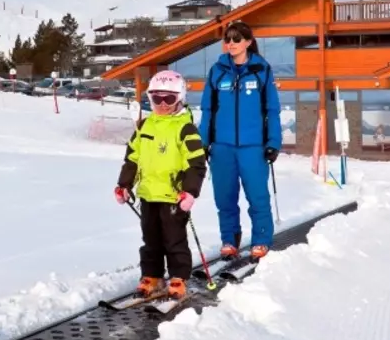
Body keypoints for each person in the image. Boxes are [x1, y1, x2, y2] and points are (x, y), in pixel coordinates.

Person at [114, 70, 207, 300]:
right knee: (151, 239)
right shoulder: (144, 126)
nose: (163, 104)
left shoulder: (185, 129)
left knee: (174, 240)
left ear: (180, 98)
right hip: (148, 194)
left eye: (169, 98)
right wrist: (124, 185)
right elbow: (132, 159)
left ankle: (178, 277)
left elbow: (196, 164)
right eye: (157, 98)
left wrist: (190, 192)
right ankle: (152, 275)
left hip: (174, 196)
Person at [198, 19, 282, 259]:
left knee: (257, 196)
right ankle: (229, 239)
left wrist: (273, 142)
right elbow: (208, 110)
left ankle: (261, 240)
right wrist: (204, 142)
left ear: (248, 42)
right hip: (222, 147)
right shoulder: (217, 71)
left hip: (253, 147)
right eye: (228, 39)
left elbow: (272, 110)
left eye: (236, 39)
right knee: (224, 196)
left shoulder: (261, 70)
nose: (231, 43)